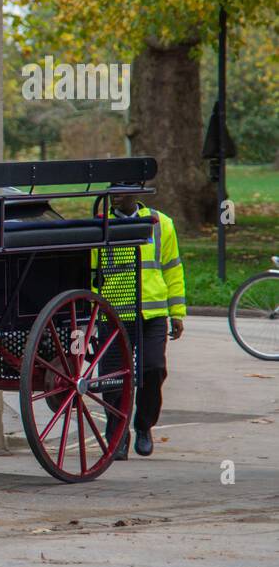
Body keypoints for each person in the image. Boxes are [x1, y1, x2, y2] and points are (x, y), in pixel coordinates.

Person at [94, 192, 186, 459]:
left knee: (153, 369)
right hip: (114, 312)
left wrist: (177, 311)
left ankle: (144, 425)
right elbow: (91, 273)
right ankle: (117, 435)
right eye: (112, 191)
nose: (114, 196)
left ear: (136, 193)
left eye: (121, 192)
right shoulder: (100, 224)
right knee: (113, 378)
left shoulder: (161, 223)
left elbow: (172, 267)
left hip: (152, 311)